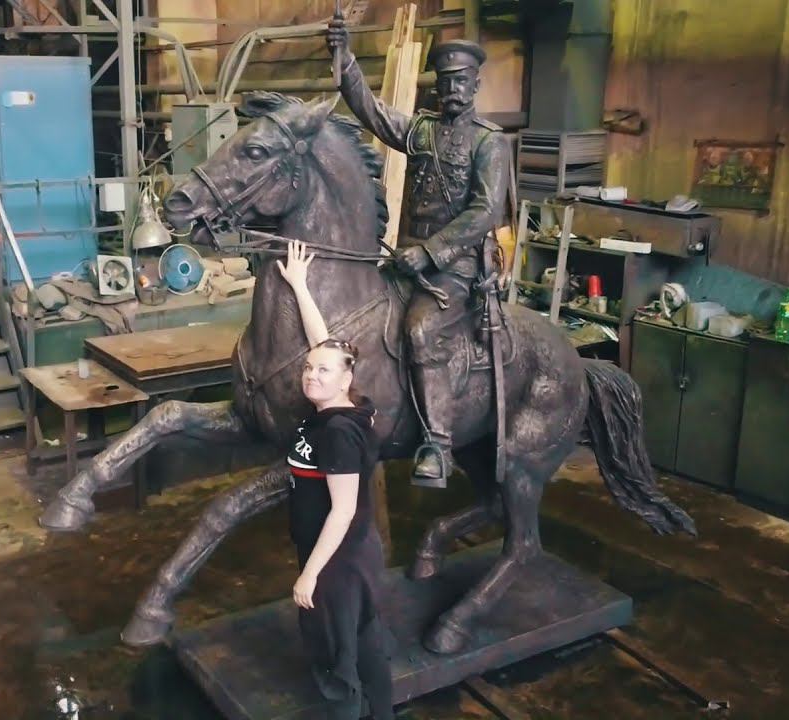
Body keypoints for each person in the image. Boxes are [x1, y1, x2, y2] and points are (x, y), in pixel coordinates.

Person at [327, 19, 511, 486]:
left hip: (456, 265)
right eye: (445, 82)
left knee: (421, 329)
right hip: (406, 256)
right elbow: (372, 113)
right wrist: (344, 58)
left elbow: (486, 211)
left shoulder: (489, 142)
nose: (452, 90)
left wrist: (430, 253)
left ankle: (438, 445)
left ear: (476, 84)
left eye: (461, 81)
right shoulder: (422, 130)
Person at [277, 241, 394, 720]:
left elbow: (342, 510)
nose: (311, 375)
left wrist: (310, 573)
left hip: (339, 562)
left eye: (321, 372)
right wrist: (300, 286)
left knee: (335, 658)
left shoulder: (339, 432)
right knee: (364, 643)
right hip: (349, 554)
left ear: (344, 379)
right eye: (308, 368)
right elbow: (323, 345)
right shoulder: (341, 403)